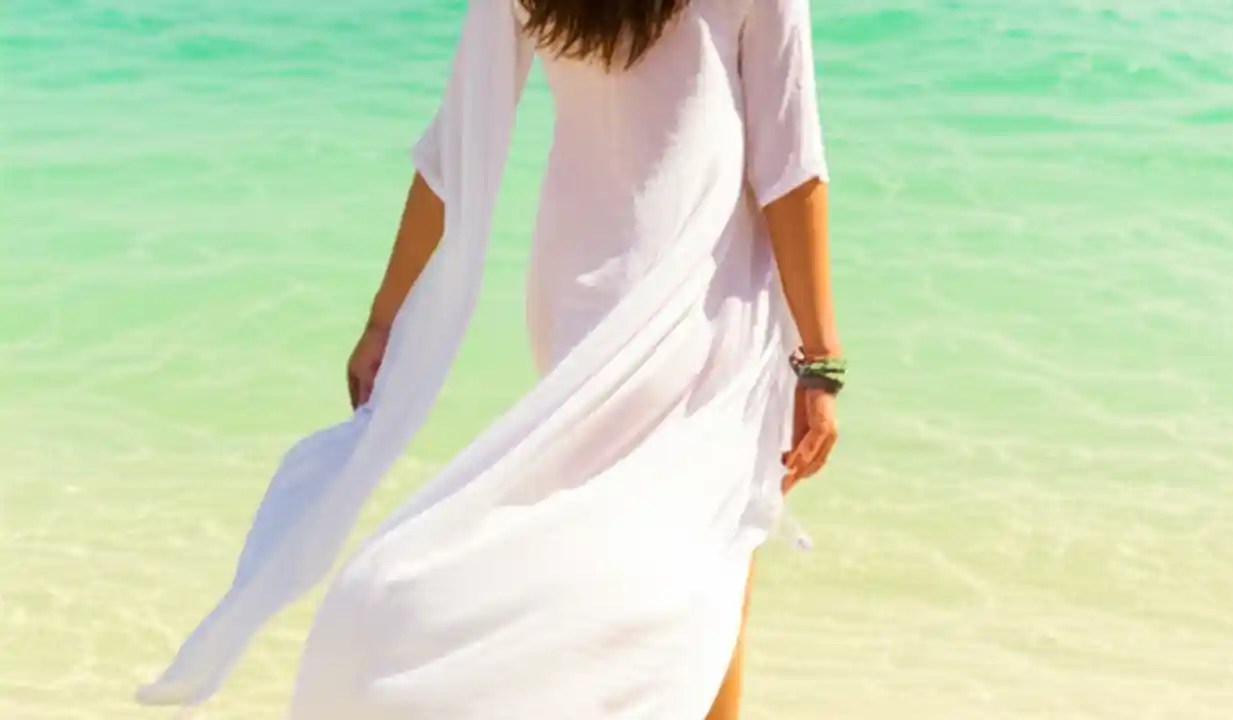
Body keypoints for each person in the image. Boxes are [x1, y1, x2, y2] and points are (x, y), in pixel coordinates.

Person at [138, 0, 841, 717]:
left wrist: (386, 317)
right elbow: (792, 172)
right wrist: (820, 361)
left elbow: (452, 155)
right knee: (703, 569)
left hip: (576, 300)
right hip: (702, 302)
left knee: (618, 560)